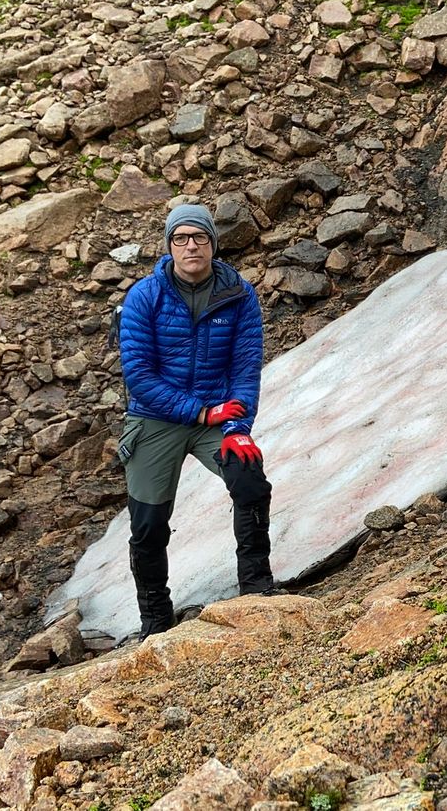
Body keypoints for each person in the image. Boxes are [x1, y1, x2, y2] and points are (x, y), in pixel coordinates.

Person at [115, 203, 276, 639]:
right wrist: (200, 412)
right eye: (181, 238)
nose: (191, 246)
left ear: (213, 244)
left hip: (217, 415)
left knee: (249, 480)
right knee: (148, 522)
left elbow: (245, 368)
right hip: (155, 418)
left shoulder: (238, 294)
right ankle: (155, 619)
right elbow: (139, 376)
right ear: (169, 245)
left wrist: (237, 429)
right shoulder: (145, 296)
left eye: (200, 237)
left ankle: (257, 589)